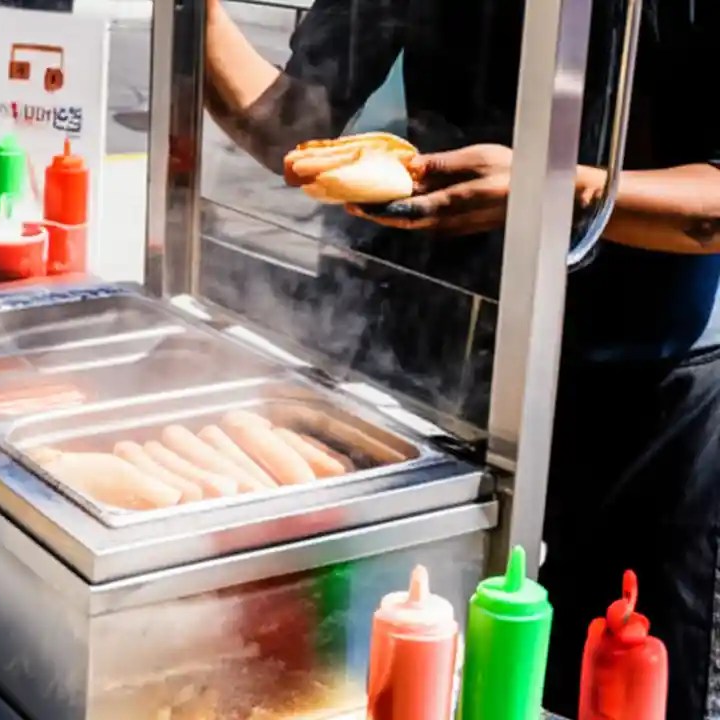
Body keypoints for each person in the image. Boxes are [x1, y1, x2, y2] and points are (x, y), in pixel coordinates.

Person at [201, 0, 720, 717]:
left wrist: (557, 186)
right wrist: (192, 20)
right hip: (443, 365)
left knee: (613, 675)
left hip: (645, 392)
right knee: (409, 665)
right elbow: (292, 127)